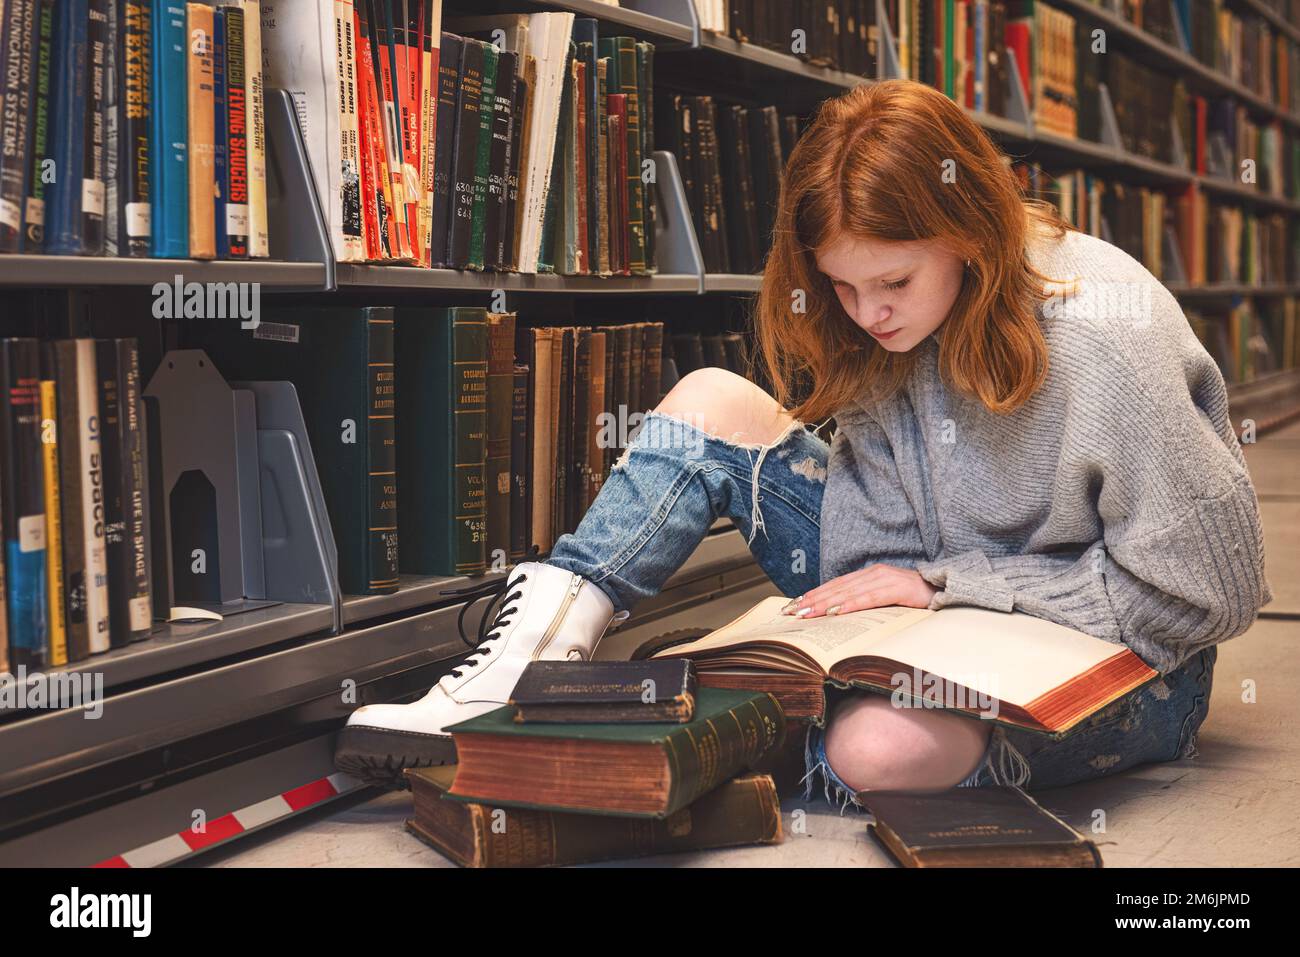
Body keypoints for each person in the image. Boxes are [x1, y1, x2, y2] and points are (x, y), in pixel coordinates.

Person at [335, 80, 1270, 809]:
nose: (868, 315)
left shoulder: (1106, 332)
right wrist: (911, 592)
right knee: (711, 401)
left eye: (894, 281)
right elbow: (875, 558)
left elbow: (1210, 597)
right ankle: (525, 665)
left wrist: (957, 584)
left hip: (1116, 654)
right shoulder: (870, 321)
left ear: (968, 231)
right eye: (843, 287)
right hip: (934, 612)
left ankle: (719, 747)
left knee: (876, 750)